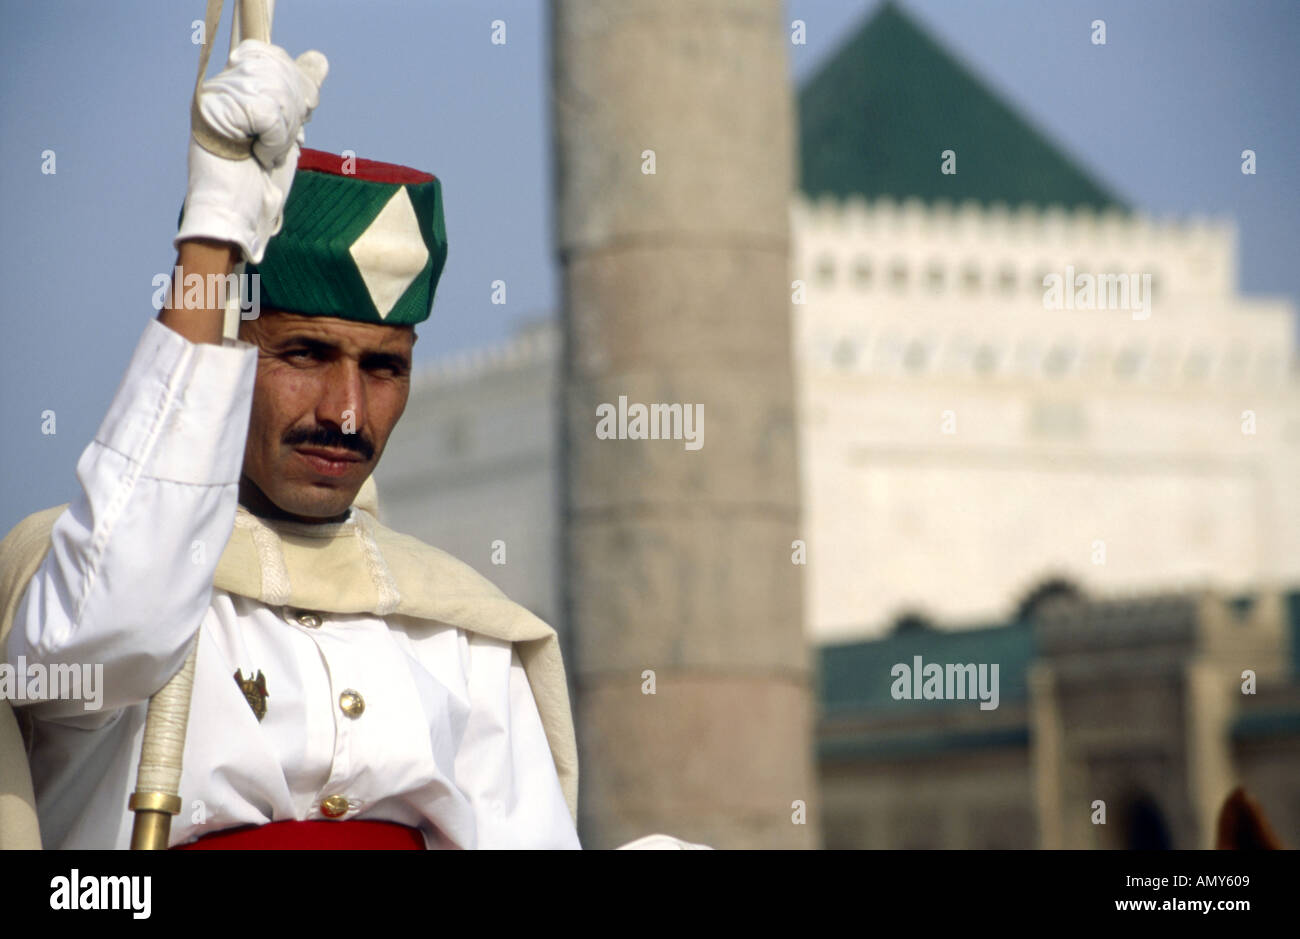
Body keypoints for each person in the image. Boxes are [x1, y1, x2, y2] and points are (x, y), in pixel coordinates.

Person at [0, 36, 585, 850]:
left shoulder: (462, 630)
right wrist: (214, 230)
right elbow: (125, 615)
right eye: (305, 354)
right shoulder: (81, 580)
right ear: (230, 349)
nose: (346, 412)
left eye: (383, 367)